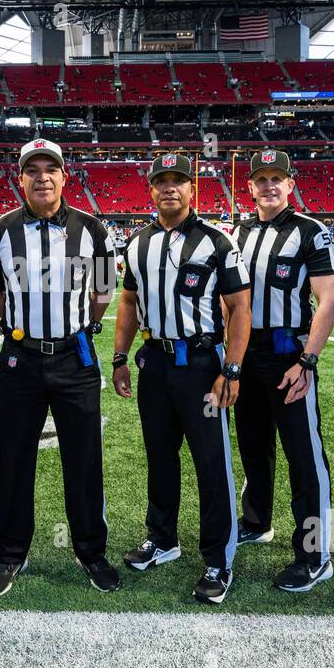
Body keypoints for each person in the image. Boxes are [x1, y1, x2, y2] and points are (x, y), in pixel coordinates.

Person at [0, 138, 120, 598]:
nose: (42, 177)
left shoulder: (93, 229)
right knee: (13, 457)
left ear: (64, 176)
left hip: (74, 358)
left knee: (83, 458)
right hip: (21, 359)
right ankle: (10, 552)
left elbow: (102, 294)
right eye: (32, 170)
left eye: (50, 169)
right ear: (20, 178)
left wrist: (76, 328)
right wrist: (24, 326)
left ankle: (91, 551)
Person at [112, 152, 251, 604]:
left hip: (202, 363)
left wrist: (232, 368)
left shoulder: (217, 241)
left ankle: (218, 556)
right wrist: (118, 356)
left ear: (193, 189)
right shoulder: (136, 244)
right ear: (150, 189)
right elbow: (129, 303)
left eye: (179, 181)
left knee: (212, 462)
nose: (170, 188)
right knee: (160, 455)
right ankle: (163, 537)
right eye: (161, 181)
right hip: (154, 361)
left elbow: (240, 308)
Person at [231, 151, 334, 592]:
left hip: (286, 352)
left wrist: (308, 360)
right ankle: (257, 521)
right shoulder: (240, 230)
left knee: (303, 454)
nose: (269, 186)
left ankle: (315, 554)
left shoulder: (311, 232)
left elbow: (328, 300)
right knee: (253, 446)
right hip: (246, 352)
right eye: (262, 179)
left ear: (290, 185)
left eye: (278, 178)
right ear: (251, 186)